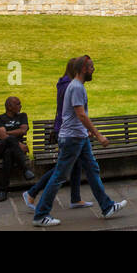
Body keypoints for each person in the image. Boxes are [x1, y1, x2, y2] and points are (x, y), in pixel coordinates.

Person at [32, 55, 126, 226]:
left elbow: (78, 116)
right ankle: (40, 215)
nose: (93, 70)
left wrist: (86, 132)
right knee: (59, 176)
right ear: (83, 68)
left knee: (92, 169)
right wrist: (98, 135)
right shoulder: (76, 87)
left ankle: (107, 206)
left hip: (79, 137)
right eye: (91, 67)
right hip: (72, 139)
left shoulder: (77, 86)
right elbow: (80, 114)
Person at [24, 58, 87, 210]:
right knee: (62, 167)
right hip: (68, 131)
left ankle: (76, 198)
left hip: (67, 129)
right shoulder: (69, 86)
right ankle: (32, 193)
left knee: (76, 163)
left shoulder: (65, 84)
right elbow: (74, 111)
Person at [0, 96, 34, 201]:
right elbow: (2, 136)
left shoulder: (22, 116)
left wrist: (7, 132)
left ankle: (2, 190)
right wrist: (19, 144)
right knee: (9, 142)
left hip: (11, 151)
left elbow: (23, 130)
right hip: (0, 147)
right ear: (9, 107)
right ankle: (25, 169)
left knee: (9, 153)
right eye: (18, 104)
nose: (20, 106)